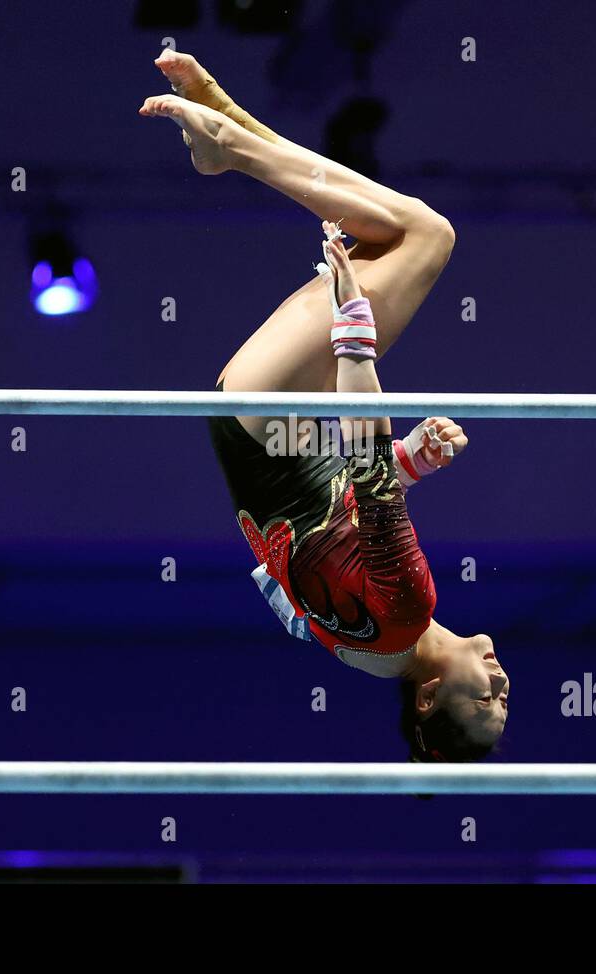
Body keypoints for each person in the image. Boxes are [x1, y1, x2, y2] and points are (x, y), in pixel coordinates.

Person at [140, 51, 508, 761]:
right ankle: (227, 126)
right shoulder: (365, 655)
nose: (499, 683)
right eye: (505, 698)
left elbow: (363, 470)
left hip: (277, 408)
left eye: (482, 701)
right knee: (396, 234)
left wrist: (353, 332)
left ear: (428, 698)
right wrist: (414, 463)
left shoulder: (408, 614)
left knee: (427, 236)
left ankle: (233, 145)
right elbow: (327, 528)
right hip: (259, 424)